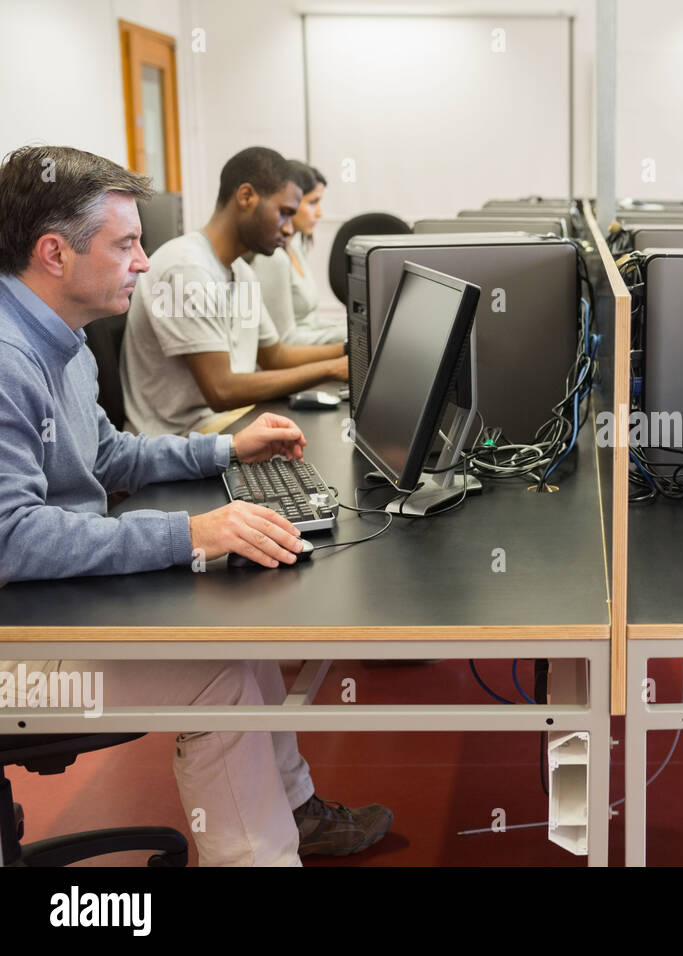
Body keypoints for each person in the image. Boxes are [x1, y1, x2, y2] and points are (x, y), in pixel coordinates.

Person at [0, 144, 391, 864]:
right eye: (126, 244)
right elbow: (11, 540)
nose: (145, 262)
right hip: (13, 654)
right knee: (220, 673)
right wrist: (190, 535)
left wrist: (224, 451)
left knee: (243, 636)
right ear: (54, 253)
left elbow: (109, 456)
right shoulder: (7, 360)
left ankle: (294, 813)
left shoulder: (63, 339)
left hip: (42, 611)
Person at [121, 146, 347, 436]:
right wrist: (332, 370)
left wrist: (348, 352)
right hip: (181, 441)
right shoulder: (185, 269)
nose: (290, 229)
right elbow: (221, 391)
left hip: (228, 422)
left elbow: (274, 356)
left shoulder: (241, 272)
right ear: (246, 197)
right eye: (284, 213)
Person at [252, 160, 343, 345]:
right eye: (312, 203)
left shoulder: (296, 248)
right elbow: (284, 341)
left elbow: (310, 323)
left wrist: (349, 330)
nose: (319, 213)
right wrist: (348, 339)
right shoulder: (273, 258)